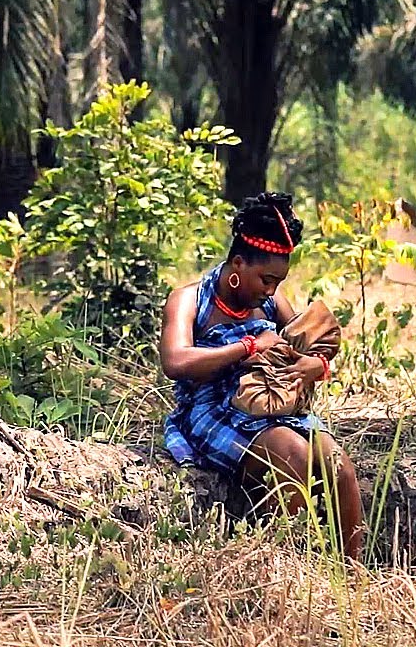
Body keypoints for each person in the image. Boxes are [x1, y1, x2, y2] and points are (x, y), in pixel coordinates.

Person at [159, 192, 365, 559]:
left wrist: (316, 365)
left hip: (269, 403)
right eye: (266, 280)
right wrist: (247, 347)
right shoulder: (189, 300)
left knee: (339, 467)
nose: (271, 290)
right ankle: (284, 568)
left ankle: (352, 573)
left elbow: (307, 343)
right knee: (294, 456)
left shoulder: (269, 301)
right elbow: (175, 361)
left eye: (278, 282)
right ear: (238, 264)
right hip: (211, 410)